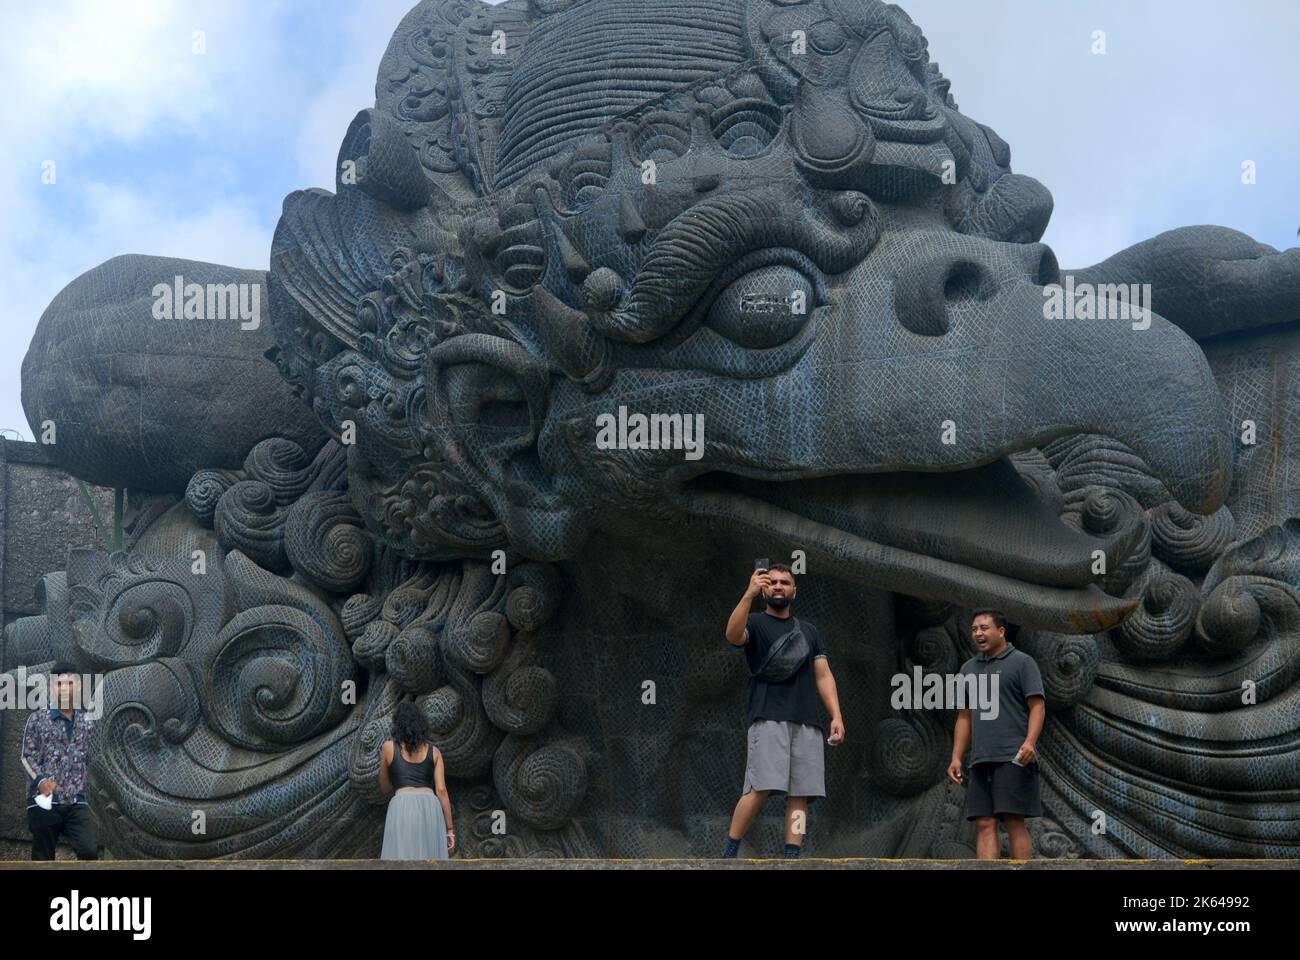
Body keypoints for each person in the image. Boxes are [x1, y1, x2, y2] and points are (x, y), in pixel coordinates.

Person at [721, 563, 844, 858]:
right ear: (765, 588)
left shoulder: (810, 632)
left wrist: (836, 716)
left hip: (807, 722)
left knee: (800, 795)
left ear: (794, 591)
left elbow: (823, 674)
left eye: (785, 582)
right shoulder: (755, 623)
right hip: (768, 718)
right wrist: (748, 594)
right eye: (773, 582)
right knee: (759, 788)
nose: (778, 586)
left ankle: (792, 857)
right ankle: (728, 854)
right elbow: (732, 635)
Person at [947, 609, 1046, 859]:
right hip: (980, 759)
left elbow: (1037, 706)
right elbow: (964, 716)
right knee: (984, 823)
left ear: (1000, 632)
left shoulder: (1023, 662)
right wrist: (956, 757)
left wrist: (1030, 742)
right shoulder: (968, 669)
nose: (978, 633)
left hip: (1013, 757)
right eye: (974, 629)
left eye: (984, 628)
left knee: (1013, 821)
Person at [21, 664, 98, 860]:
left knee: (89, 851)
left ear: (78, 687)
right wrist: (40, 781)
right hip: (44, 801)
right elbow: (26, 756)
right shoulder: (37, 719)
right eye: (59, 684)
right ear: (52, 687)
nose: (64, 688)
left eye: (69, 683)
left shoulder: (87, 722)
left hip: (75, 801)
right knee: (43, 858)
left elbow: (90, 758)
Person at [379, 701, 455, 860]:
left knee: (402, 858)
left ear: (397, 724)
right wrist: (450, 829)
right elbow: (441, 790)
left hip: (401, 805)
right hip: (430, 806)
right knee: (430, 858)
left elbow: (384, 787)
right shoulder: (434, 752)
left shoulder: (388, 748)